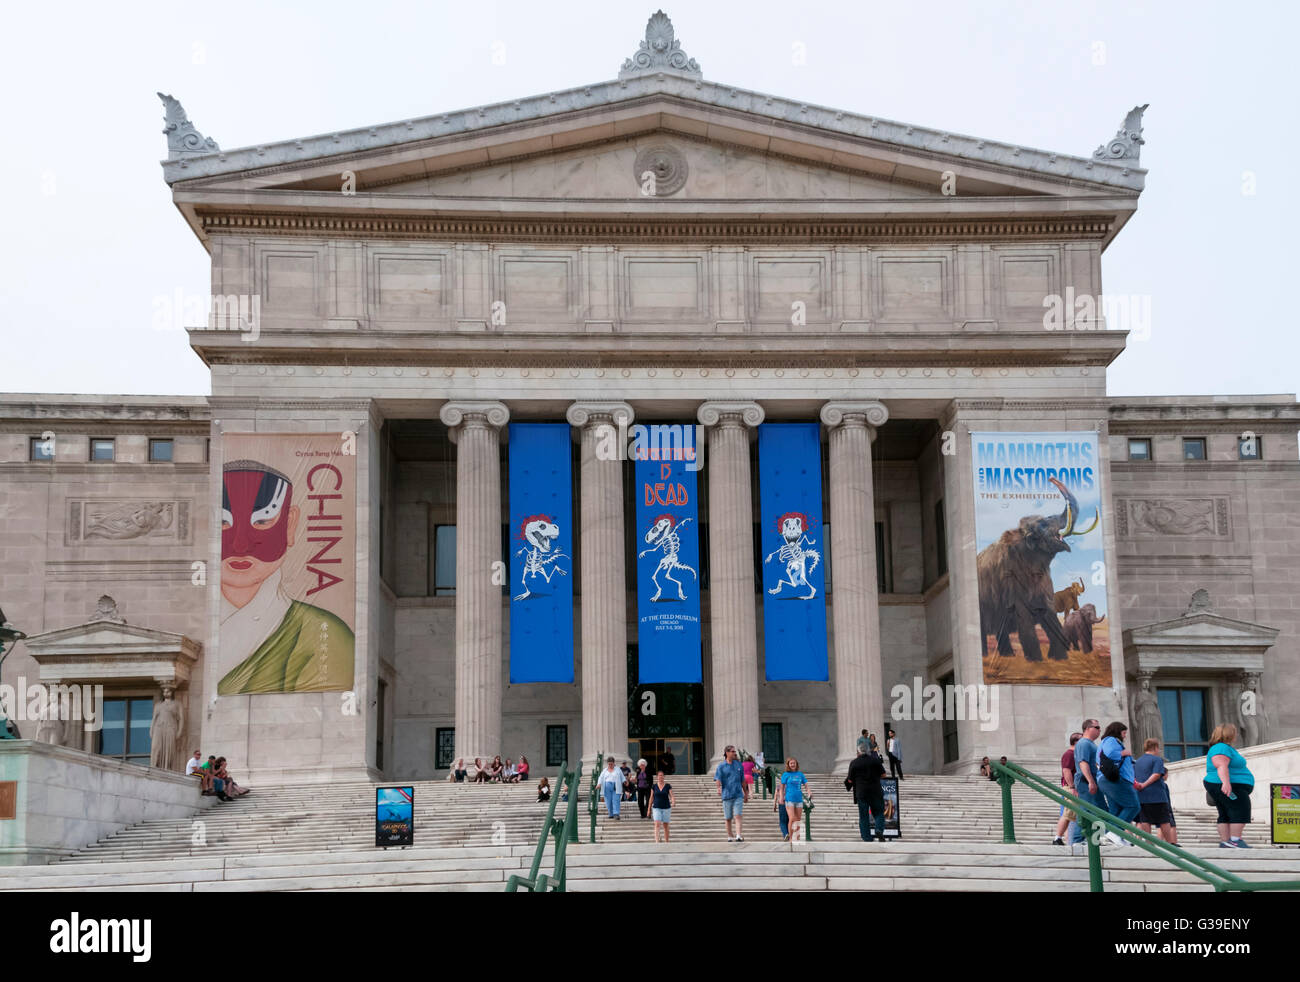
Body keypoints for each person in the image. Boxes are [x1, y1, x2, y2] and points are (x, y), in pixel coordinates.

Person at [1204, 722, 1255, 848]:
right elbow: (1221, 765)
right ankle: (1235, 840)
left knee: (1225, 813)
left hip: (1226, 784)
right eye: (1234, 732)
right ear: (1229, 734)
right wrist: (1226, 783)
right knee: (1240, 809)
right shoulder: (1221, 747)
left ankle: (1227, 842)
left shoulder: (1223, 748)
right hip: (1229, 785)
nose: (1236, 734)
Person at [1096, 721, 1139, 844]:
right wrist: (1124, 753)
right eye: (1124, 733)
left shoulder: (1106, 741)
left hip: (1107, 780)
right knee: (1133, 806)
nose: (1125, 736)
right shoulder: (1111, 740)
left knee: (1116, 811)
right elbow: (1111, 754)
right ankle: (1114, 833)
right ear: (1117, 731)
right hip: (1116, 779)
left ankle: (1110, 836)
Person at [1069, 719, 1107, 845]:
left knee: (1098, 810)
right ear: (1087, 729)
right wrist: (1091, 781)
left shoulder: (1090, 744)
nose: (1099, 730)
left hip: (1091, 780)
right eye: (1097, 727)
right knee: (1087, 810)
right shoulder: (1084, 744)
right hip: (1086, 781)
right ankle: (1078, 839)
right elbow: (1083, 762)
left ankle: (1097, 837)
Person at [1134, 738, 1178, 845]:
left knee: (1145, 820)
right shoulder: (1157, 760)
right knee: (1164, 820)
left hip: (1142, 796)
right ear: (1155, 747)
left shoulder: (1137, 761)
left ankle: (1149, 843)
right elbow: (1157, 774)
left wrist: (1140, 785)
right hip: (1157, 795)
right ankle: (1169, 843)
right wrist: (1145, 784)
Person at [846, 744, 887, 842]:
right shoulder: (875, 760)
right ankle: (879, 830)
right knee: (879, 813)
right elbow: (884, 775)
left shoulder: (854, 763)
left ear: (858, 752)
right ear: (868, 751)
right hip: (876, 791)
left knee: (863, 816)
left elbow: (850, 780)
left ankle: (867, 838)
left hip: (862, 792)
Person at [714, 745, 748, 842]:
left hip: (738, 794)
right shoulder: (721, 766)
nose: (734, 753)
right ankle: (730, 836)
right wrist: (719, 788)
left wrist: (745, 793)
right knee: (728, 817)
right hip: (727, 795)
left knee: (738, 815)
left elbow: (743, 780)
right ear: (727, 753)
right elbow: (718, 778)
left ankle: (738, 835)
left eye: (734, 751)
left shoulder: (738, 765)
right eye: (732, 751)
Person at [1053, 733, 1081, 845]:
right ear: (1076, 742)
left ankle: (1069, 840)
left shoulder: (1075, 754)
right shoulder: (1069, 754)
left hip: (1073, 787)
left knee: (1072, 815)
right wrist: (1072, 786)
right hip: (1070, 787)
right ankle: (1057, 838)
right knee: (1069, 814)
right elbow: (1066, 771)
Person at [779, 757, 809, 842]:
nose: (792, 765)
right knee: (791, 818)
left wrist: (809, 791)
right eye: (791, 763)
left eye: (794, 763)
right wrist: (781, 797)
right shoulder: (785, 774)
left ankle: (797, 837)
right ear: (788, 765)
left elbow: (806, 784)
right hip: (789, 799)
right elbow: (781, 788)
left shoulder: (800, 774)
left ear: (796, 764)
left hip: (799, 799)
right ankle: (791, 838)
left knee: (798, 819)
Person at [651, 771, 675, 843]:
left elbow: (671, 795)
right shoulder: (654, 786)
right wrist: (649, 809)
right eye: (659, 775)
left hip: (666, 808)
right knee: (657, 823)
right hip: (656, 807)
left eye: (662, 775)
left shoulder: (668, 786)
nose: (660, 777)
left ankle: (667, 842)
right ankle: (657, 841)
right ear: (657, 777)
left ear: (664, 777)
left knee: (665, 826)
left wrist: (673, 801)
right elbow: (651, 797)